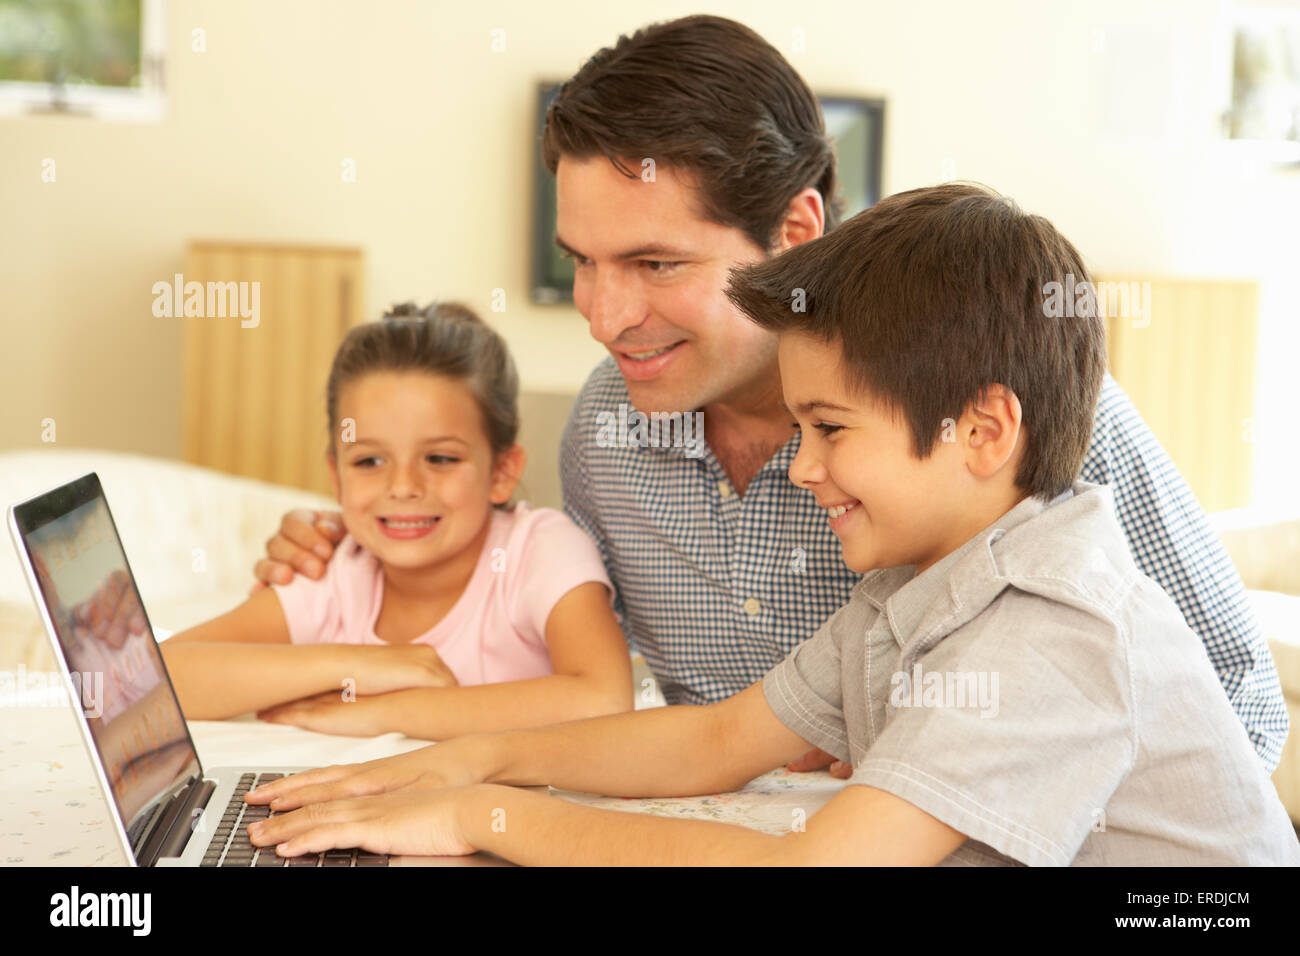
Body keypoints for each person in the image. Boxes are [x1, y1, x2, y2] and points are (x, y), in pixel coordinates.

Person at [249, 14, 1287, 772]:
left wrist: (984, 792)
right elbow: (529, 610)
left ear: (796, 233)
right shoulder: (604, 438)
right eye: (583, 262)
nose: (605, 318)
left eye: (656, 265)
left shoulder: (1007, 410)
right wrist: (355, 542)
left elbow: (1239, 706)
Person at [243, 186, 1300, 865]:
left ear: (982, 429)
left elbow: (813, 870)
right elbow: (716, 735)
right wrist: (473, 759)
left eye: (830, 428)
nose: (804, 467)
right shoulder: (919, 583)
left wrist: (482, 817)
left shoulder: (1057, 630)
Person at [160, 303, 632, 738]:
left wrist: (387, 712)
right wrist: (363, 666)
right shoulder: (337, 571)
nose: (403, 486)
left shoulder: (540, 551)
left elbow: (605, 701)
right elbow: (154, 682)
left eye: (441, 458)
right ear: (337, 478)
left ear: (502, 472)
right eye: (369, 462)